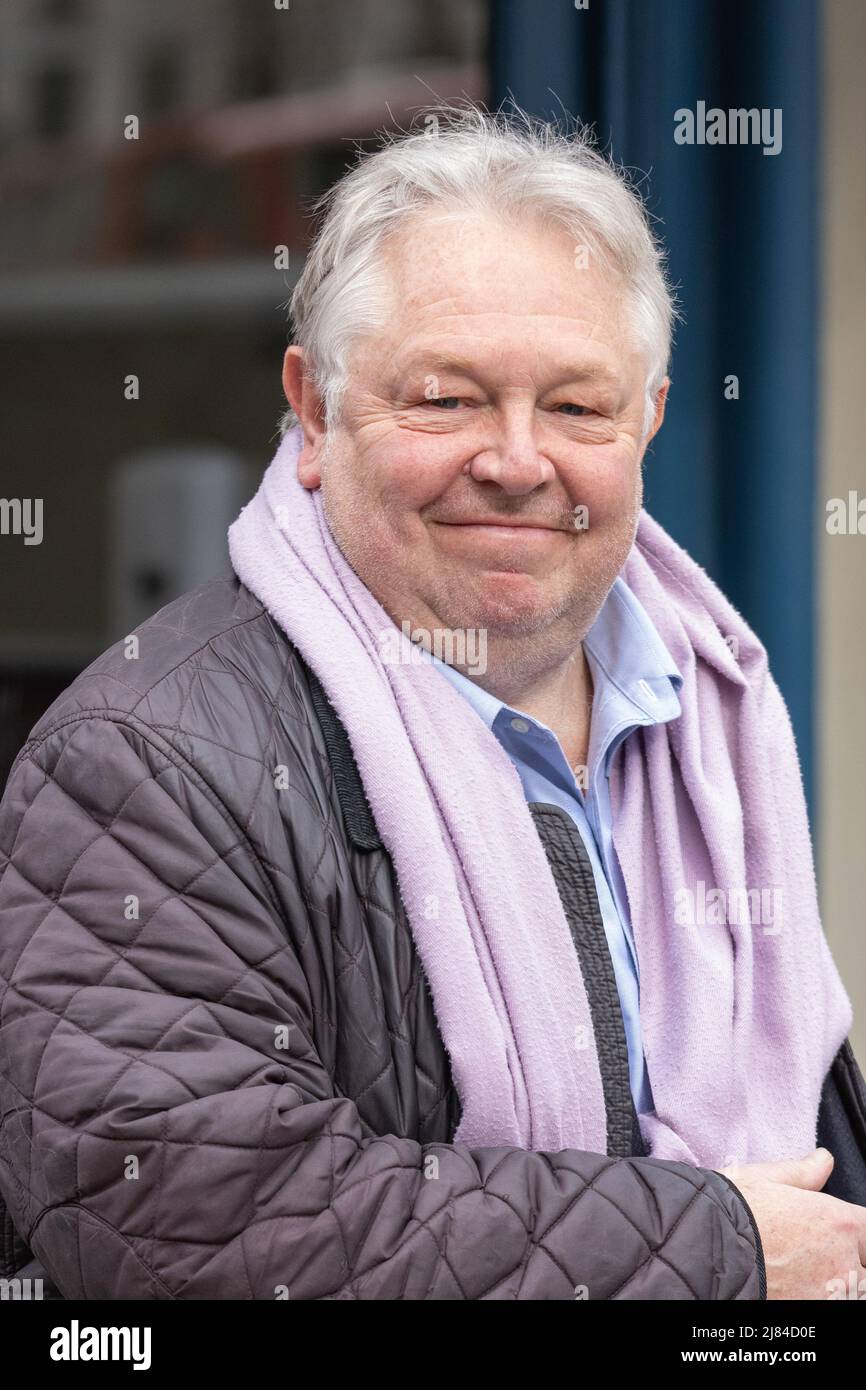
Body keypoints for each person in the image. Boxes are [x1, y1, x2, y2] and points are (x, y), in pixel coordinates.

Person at [1, 105, 865, 1302]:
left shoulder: (708, 715)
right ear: (312, 412)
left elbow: (817, 1178)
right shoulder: (144, 761)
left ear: (648, 419)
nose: (516, 459)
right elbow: (182, 1231)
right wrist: (714, 1252)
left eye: (574, 406)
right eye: (447, 399)